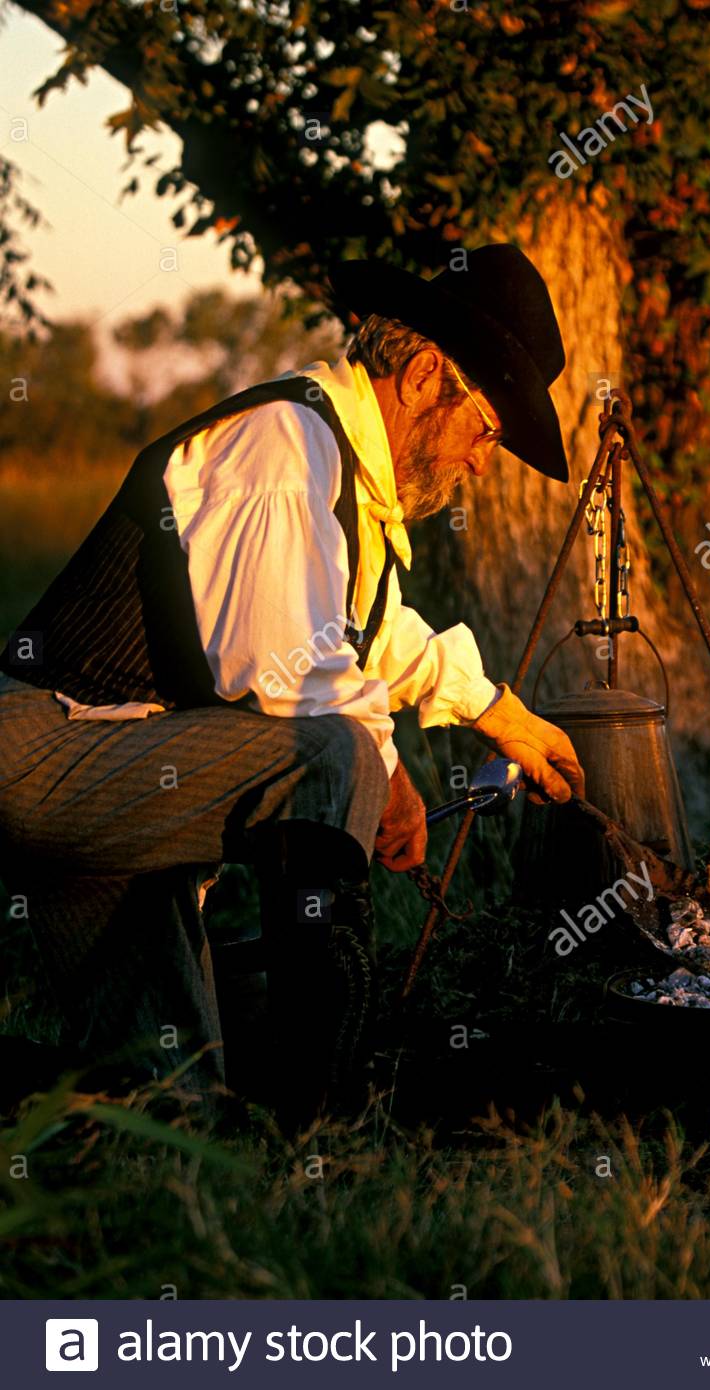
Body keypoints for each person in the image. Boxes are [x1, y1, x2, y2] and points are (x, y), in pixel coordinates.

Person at [0, 243, 584, 1113]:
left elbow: (372, 629)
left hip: (116, 778)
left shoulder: (335, 467)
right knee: (335, 752)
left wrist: (500, 713)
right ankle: (326, 1115)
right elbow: (296, 674)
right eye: (486, 432)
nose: (480, 462)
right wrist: (384, 776)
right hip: (46, 756)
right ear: (426, 377)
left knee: (168, 1102)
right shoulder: (284, 448)